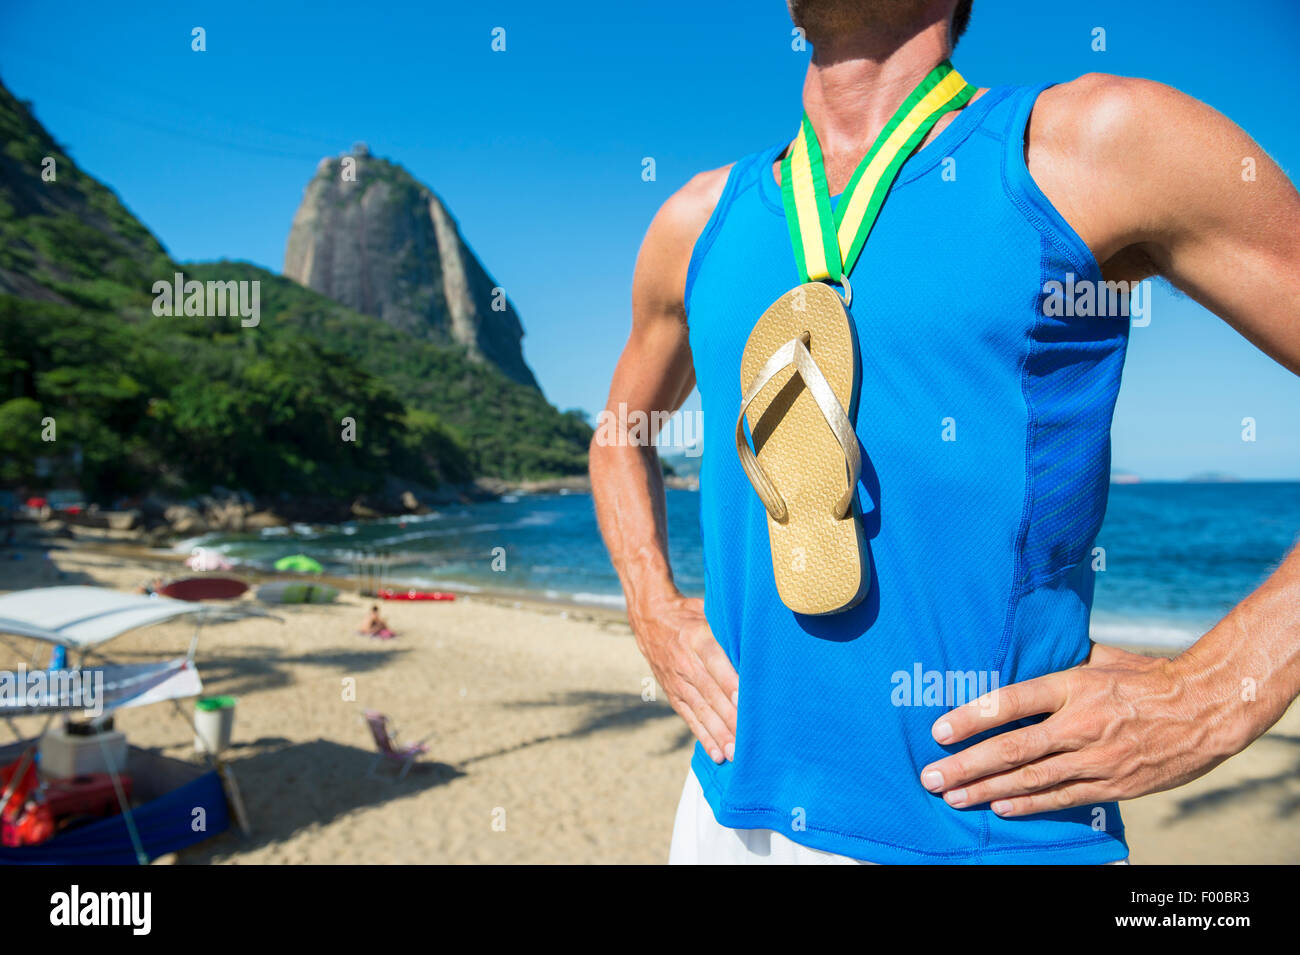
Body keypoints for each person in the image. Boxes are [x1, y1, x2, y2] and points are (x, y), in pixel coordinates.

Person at [590, 0, 1300, 864]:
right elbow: (620, 434)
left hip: (985, 831)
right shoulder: (695, 222)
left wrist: (1217, 689)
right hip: (724, 810)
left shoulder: (1097, 143)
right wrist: (654, 611)